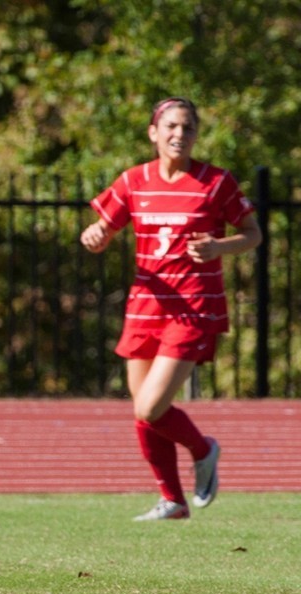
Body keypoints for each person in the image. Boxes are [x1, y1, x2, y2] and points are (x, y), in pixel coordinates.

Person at [79, 96, 262, 521]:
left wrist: (219, 246)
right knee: (144, 411)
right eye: (171, 126)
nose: (180, 134)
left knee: (150, 406)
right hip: (145, 306)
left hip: (194, 307)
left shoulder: (215, 182)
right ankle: (173, 501)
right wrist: (95, 236)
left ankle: (203, 449)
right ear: (153, 133)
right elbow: (103, 229)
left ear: (196, 135)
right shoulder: (134, 180)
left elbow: (252, 233)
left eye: (188, 127)